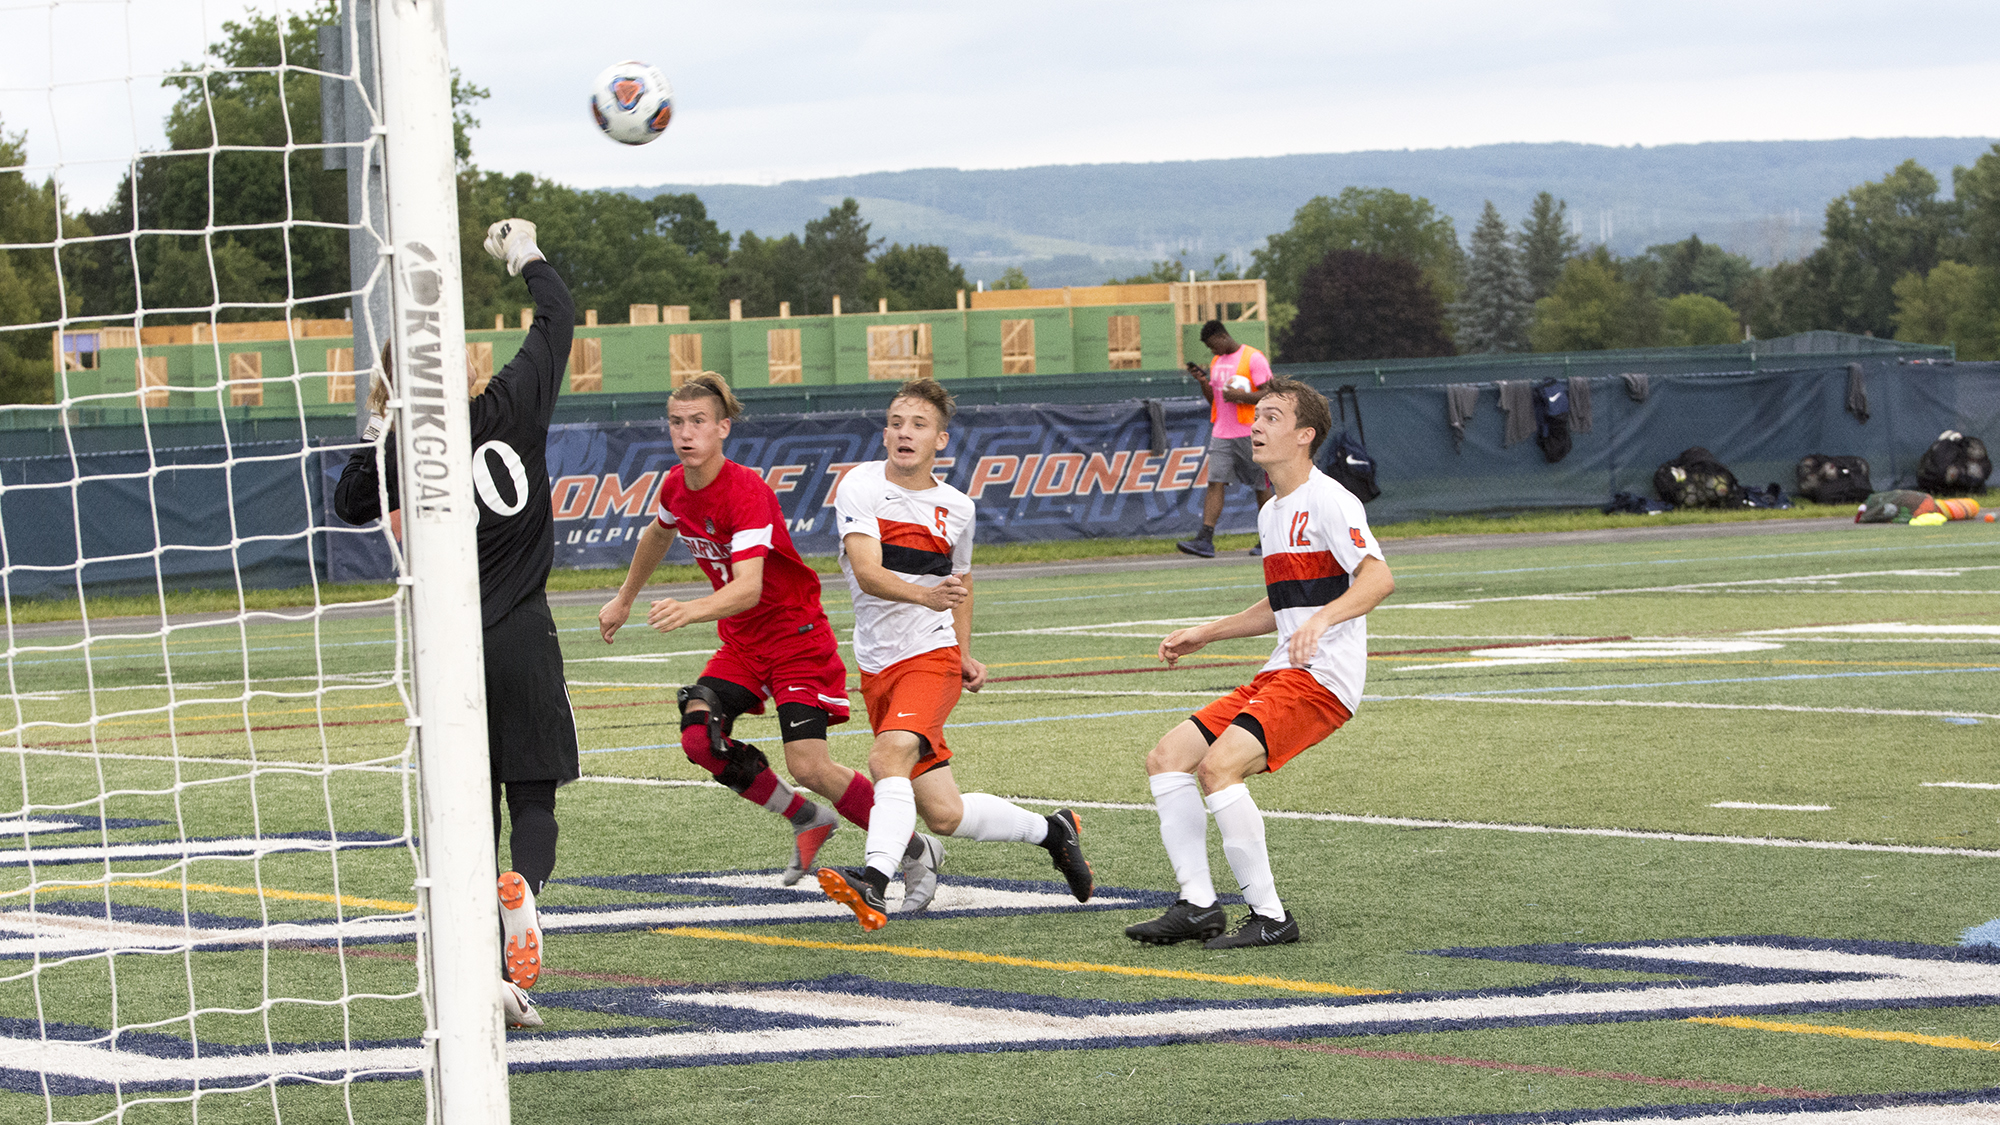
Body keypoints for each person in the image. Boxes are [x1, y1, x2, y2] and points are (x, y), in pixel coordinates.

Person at [333, 218, 573, 1028]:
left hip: (450, 651)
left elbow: (350, 500)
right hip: (525, 635)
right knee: (532, 799)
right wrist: (526, 253)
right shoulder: (514, 401)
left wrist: (385, 420)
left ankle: (493, 976)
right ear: (468, 364)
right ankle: (525, 894)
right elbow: (558, 316)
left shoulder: (409, 444)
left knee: (468, 819)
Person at [595, 374, 940, 896]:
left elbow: (749, 588)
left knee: (810, 766)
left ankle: (914, 849)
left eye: (698, 421)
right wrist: (624, 597)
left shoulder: (746, 492)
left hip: (796, 638)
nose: (686, 433)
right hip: (744, 644)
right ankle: (807, 818)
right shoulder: (675, 485)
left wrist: (690, 610)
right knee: (699, 738)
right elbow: (658, 533)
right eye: (676, 422)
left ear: (723, 428)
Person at [813, 378, 1094, 930]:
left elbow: (960, 581)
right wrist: (927, 595)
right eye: (897, 423)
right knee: (943, 813)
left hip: (930, 655)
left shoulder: (957, 507)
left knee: (887, 758)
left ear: (940, 440)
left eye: (919, 425)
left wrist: (962, 652)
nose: (905, 433)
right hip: (877, 663)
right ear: (885, 433)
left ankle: (874, 882)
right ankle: (1053, 831)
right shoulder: (860, 484)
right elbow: (867, 573)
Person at [1127, 377, 1395, 949]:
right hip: (1280, 674)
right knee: (1167, 758)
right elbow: (1283, 603)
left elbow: (1378, 579)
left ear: (1304, 435)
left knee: (1217, 768)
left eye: (1272, 417)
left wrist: (1322, 622)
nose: (1256, 426)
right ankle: (1198, 906)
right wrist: (1207, 632)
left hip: (1323, 679)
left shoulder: (1330, 499)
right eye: (1257, 416)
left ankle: (1270, 917)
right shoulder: (1272, 511)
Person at [1177, 320, 1274, 559]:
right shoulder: (1216, 362)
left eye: (1213, 345)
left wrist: (1243, 396)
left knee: (1261, 485)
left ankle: (1270, 538)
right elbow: (1215, 400)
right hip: (1221, 432)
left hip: (1250, 432)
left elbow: (1271, 393)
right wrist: (1203, 382)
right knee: (1215, 481)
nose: (1212, 351)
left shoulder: (1253, 358)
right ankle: (1205, 539)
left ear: (1223, 337)